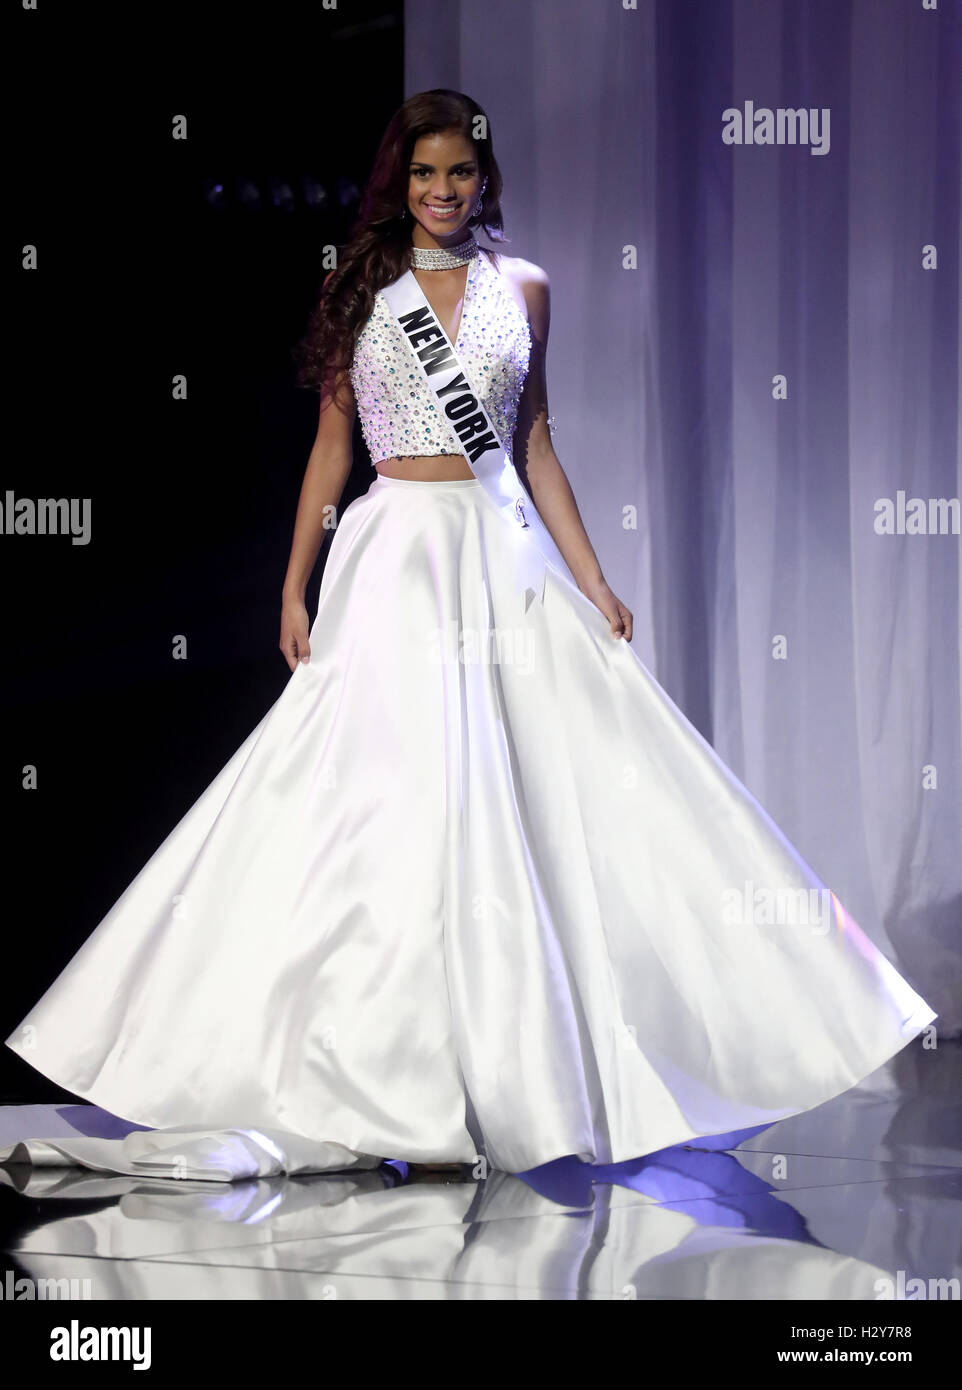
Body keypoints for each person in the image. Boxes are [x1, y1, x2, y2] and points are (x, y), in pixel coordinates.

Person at [1, 90, 936, 1184]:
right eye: (422, 175)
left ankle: (529, 1076)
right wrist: (293, 584)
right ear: (397, 183)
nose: (441, 193)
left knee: (539, 797)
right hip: (396, 557)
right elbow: (328, 452)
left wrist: (592, 579)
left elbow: (534, 438)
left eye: (459, 174)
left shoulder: (524, 289)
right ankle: (379, 1070)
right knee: (384, 805)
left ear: (485, 179)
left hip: (499, 556)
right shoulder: (361, 293)